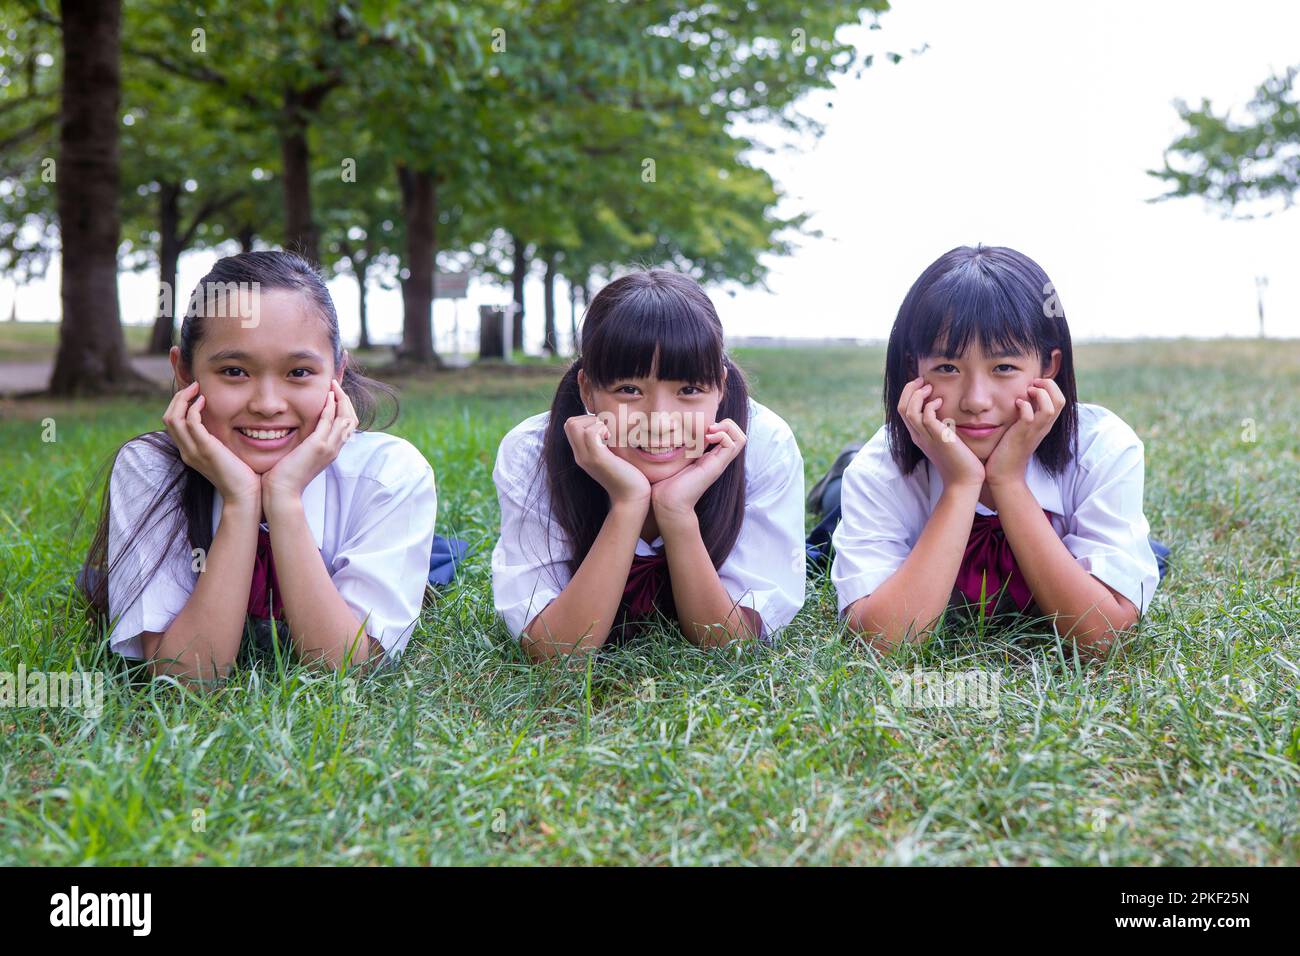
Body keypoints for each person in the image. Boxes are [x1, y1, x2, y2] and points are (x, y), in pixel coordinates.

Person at [79, 251, 438, 683]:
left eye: (299, 372)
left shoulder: (388, 473)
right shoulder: (150, 468)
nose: (267, 405)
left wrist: (283, 499)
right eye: (234, 371)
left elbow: (344, 669)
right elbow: (184, 678)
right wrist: (241, 501)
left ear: (337, 374)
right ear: (184, 372)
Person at [829, 244, 1167, 659]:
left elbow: (1104, 639)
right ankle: (833, 479)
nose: (975, 400)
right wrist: (961, 485)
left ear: (1048, 367)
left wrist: (1007, 480)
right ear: (913, 368)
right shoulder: (880, 468)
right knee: (832, 515)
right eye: (947, 368)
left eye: (1004, 368)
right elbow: (881, 644)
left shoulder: (1104, 448)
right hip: (879, 483)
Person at [492, 269, 806, 661]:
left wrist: (676, 513)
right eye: (629, 390)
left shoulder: (764, 443)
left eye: (689, 390)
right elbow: (555, 651)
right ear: (588, 389)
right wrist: (628, 503)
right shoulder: (531, 451)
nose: (659, 419)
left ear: (721, 388)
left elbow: (732, 645)